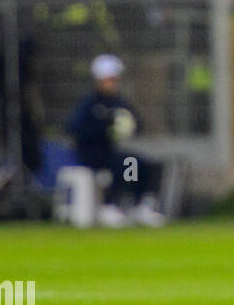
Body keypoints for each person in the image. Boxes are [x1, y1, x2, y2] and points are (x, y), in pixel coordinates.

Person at [65, 54, 162, 226]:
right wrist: (103, 128)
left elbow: (136, 123)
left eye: (115, 79)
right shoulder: (90, 104)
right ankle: (110, 205)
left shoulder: (119, 102)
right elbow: (74, 128)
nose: (113, 83)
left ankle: (138, 203)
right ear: (99, 80)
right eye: (109, 79)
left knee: (136, 162)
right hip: (90, 153)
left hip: (110, 151)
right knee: (123, 163)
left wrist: (128, 127)